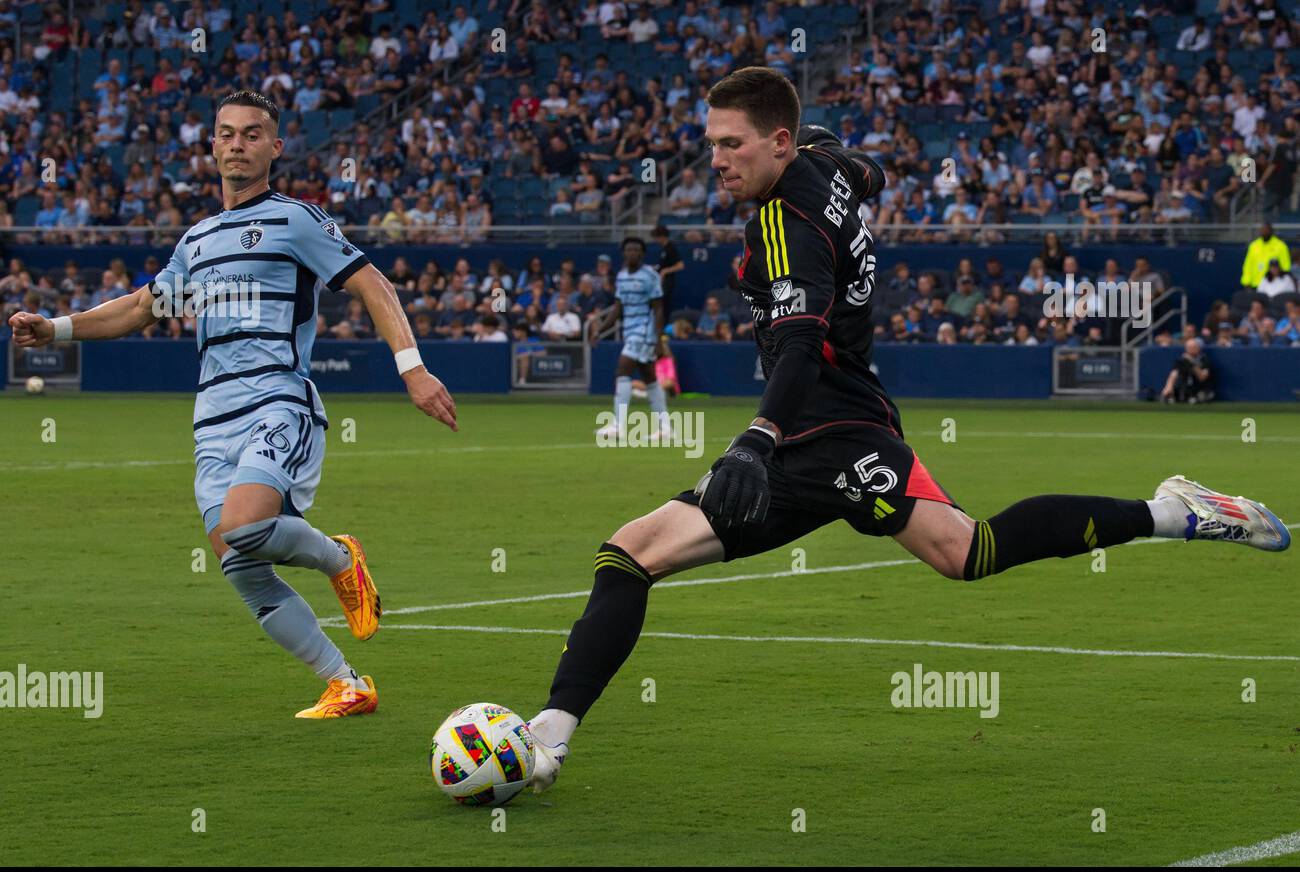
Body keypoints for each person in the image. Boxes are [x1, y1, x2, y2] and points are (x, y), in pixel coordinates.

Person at [522, 67, 1292, 793]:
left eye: (733, 144)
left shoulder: (786, 219)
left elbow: (797, 344)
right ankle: (548, 740)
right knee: (630, 553)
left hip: (840, 432)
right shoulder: (823, 164)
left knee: (968, 553)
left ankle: (1174, 511)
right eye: (712, 142)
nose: (715, 159)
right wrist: (842, 162)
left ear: (779, 142)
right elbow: (869, 171)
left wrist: (752, 441)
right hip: (813, 432)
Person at [7, 90, 459, 720]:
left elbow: (371, 282)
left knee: (246, 525)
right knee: (240, 566)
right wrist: (53, 329)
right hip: (212, 417)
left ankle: (339, 557)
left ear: (275, 147)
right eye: (227, 134)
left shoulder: (298, 220)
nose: (237, 145)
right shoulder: (195, 240)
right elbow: (142, 307)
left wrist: (412, 368)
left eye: (252, 134)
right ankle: (345, 683)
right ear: (212, 146)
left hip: (278, 397)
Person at [594, 236, 670, 440]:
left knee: (622, 370)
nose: (632, 253)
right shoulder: (621, 276)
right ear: (623, 253)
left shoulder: (650, 275)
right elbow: (618, 308)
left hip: (644, 331)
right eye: (629, 250)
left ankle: (618, 425)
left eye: (637, 250)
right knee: (649, 378)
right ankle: (665, 428)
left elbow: (659, 309)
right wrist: (600, 330)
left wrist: (658, 339)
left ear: (642, 254)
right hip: (629, 330)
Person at [1160, 337, 1215, 404]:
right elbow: (1174, 374)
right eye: (1189, 347)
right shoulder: (1182, 361)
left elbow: (1202, 377)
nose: (1192, 349)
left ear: (1198, 348)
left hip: (1201, 388)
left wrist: (1191, 362)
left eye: (1194, 347)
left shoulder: (1204, 360)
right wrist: (1168, 386)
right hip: (1186, 388)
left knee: (1204, 397)